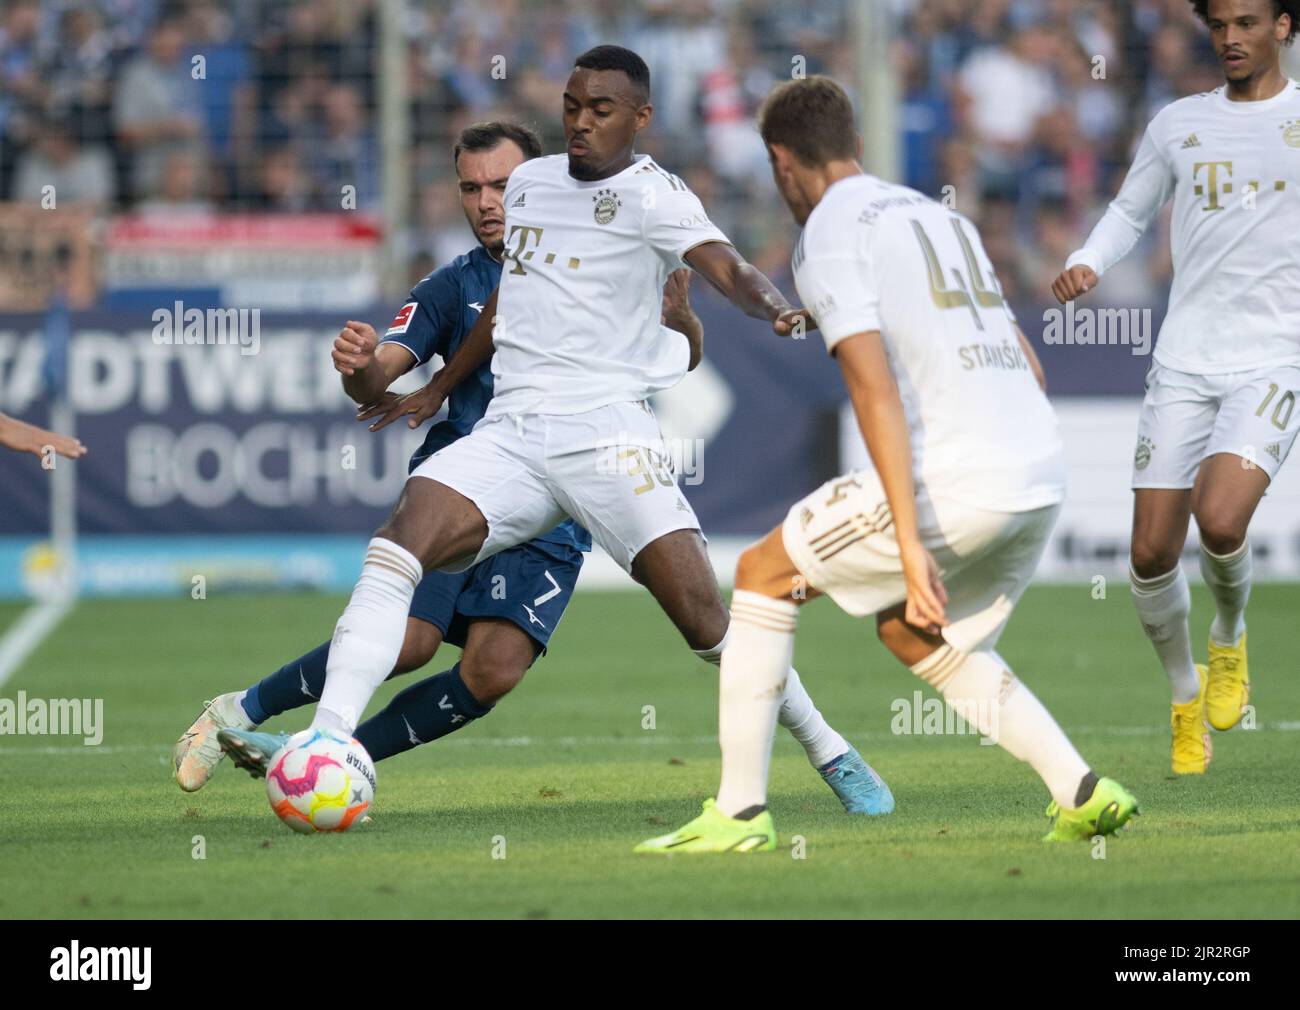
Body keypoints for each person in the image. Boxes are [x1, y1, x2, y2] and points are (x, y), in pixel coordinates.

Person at [639, 76, 1138, 854]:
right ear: (858, 147)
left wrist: (909, 544)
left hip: (960, 475)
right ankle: (1080, 788)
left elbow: (872, 392)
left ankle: (738, 815)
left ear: (780, 162)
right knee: (915, 634)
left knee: (766, 573)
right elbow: (1030, 368)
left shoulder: (827, 235)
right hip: (1039, 472)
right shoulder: (942, 218)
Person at [1050, 0, 1300, 774]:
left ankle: (1229, 633)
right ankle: (1184, 694)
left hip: (1276, 356)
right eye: (1219, 24)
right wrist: (1091, 257)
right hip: (1187, 357)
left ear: (1284, 27)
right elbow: (1130, 209)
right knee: (1151, 550)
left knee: (1221, 521)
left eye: (1248, 23)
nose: (1230, 37)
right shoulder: (1176, 123)